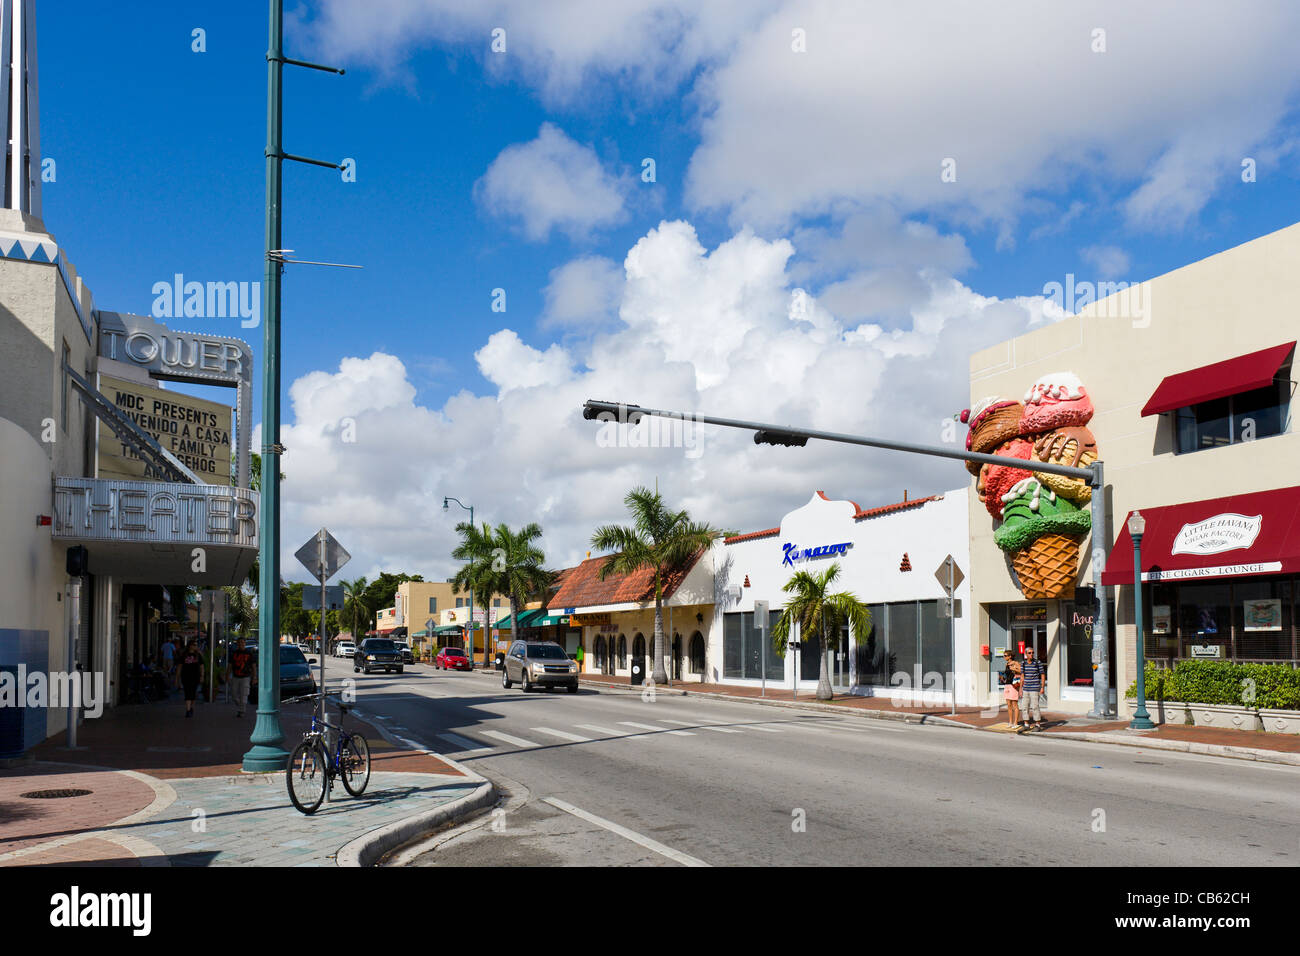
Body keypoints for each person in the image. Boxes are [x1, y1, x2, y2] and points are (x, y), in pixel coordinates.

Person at [1018, 644, 1047, 733]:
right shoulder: (1023, 663)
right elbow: (1022, 676)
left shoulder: (1037, 662)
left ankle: (1037, 724)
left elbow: (1042, 675)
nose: (1031, 654)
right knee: (1024, 707)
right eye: (1029, 653)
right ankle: (1026, 724)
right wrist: (1020, 688)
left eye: (1033, 653)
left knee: (1035, 706)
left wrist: (1042, 687)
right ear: (1026, 654)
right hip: (1026, 688)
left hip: (1035, 688)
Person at [177, 640, 204, 718]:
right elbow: (179, 666)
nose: (195, 646)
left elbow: (202, 666)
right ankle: (188, 710)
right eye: (193, 645)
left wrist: (202, 676)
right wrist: (177, 678)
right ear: (189, 646)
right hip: (186, 676)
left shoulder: (198, 655)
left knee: (193, 693)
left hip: (195, 677)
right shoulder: (184, 655)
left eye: (196, 645)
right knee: (187, 692)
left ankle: (191, 707)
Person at [228, 637, 254, 718]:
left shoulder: (249, 653)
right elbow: (230, 665)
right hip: (235, 677)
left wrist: (254, 676)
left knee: (244, 695)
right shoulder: (234, 653)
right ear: (237, 644)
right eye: (239, 643)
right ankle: (241, 706)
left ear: (245, 643)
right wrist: (227, 675)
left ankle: (242, 711)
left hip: (246, 677)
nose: (241, 644)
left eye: (242, 642)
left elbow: (253, 666)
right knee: (233, 695)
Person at [999, 651, 1022, 728]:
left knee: (1014, 704)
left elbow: (1022, 671)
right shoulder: (1006, 664)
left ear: (1010, 656)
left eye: (1005, 655)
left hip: (1014, 685)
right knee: (1008, 705)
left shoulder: (1016, 663)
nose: (1004, 657)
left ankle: (1015, 723)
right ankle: (1010, 722)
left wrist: (1014, 669)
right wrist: (1003, 678)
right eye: (1004, 655)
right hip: (1007, 684)